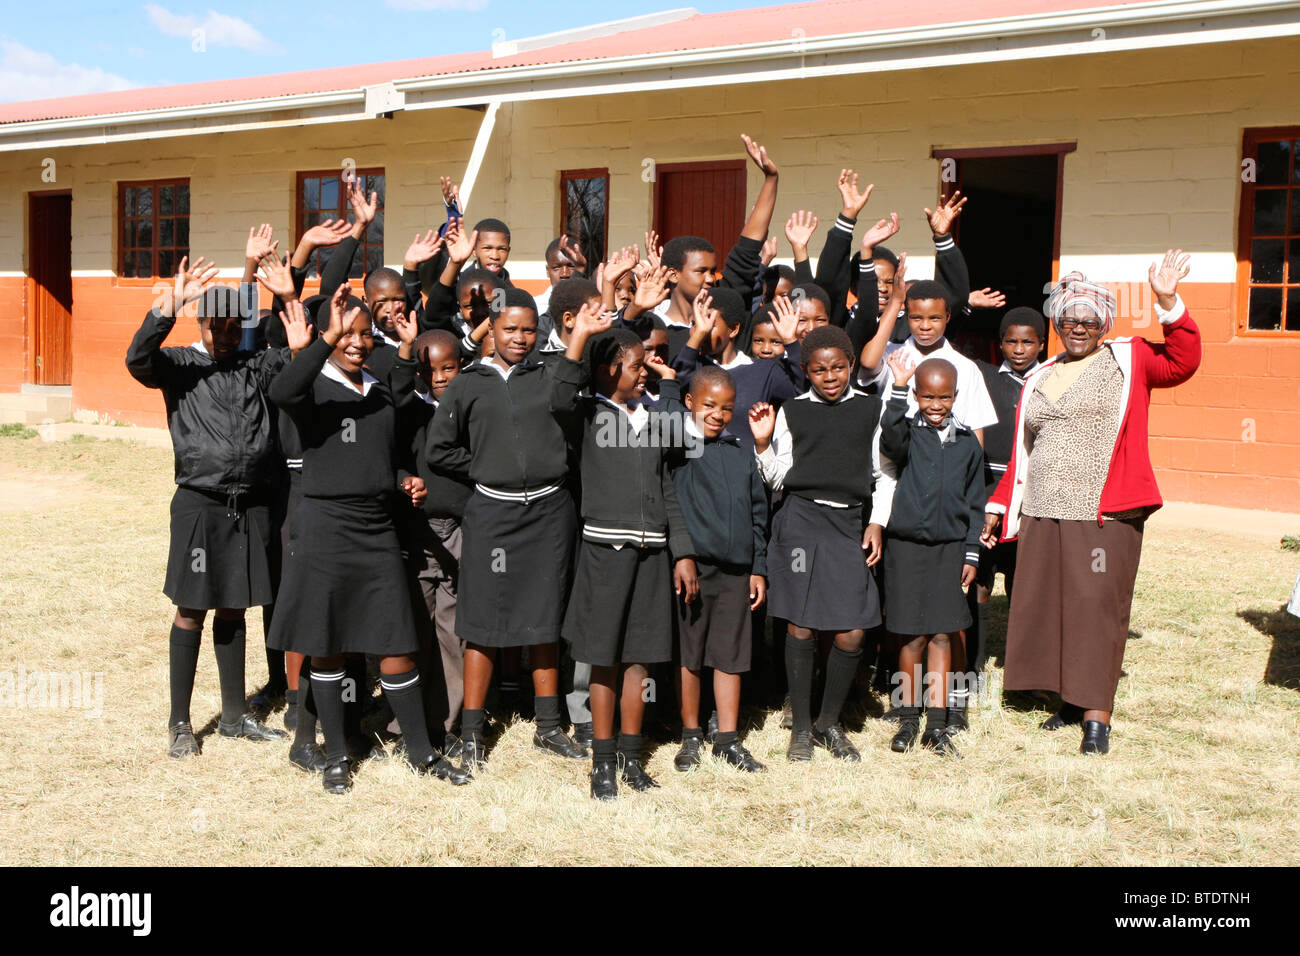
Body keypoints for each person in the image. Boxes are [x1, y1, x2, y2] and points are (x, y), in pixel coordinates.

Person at [981, 251, 1201, 755]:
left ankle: (1096, 716)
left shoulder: (1129, 358)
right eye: (1068, 319)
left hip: (1104, 513)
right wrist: (999, 504)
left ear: (1103, 322)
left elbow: (1184, 361)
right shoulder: (1039, 376)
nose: (1077, 327)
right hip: (1043, 508)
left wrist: (1168, 301)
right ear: (1057, 324)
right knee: (1053, 606)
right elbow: (1023, 452)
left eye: (1088, 319)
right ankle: (1067, 700)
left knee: (1097, 607)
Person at [267, 287, 468, 792]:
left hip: (377, 530)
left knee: (396, 645)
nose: (356, 343)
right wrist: (322, 338)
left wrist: (403, 478)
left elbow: (385, 452)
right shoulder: (311, 387)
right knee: (328, 647)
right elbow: (283, 392)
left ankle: (422, 754)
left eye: (363, 334)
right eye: (345, 334)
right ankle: (335, 756)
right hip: (324, 531)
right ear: (329, 337)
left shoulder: (379, 389)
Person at [126, 256, 291, 758]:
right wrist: (166, 306)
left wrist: (286, 297)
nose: (222, 333)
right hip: (200, 505)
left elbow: (300, 356)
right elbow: (137, 359)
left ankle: (235, 714)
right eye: (214, 324)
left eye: (231, 325)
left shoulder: (255, 366)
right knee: (191, 609)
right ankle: (180, 722)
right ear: (201, 322)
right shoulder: (180, 367)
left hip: (251, 505)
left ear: (242, 326)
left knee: (235, 604)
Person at [425, 286, 588, 769]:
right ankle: (473, 733)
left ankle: (549, 727)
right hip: (493, 515)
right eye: (510, 329)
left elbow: (572, 419)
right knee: (483, 622)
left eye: (529, 329)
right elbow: (439, 449)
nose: (520, 338)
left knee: (545, 619)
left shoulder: (551, 372)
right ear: (490, 329)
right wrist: (485, 466)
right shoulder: (468, 383)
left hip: (549, 512)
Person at [552, 310, 697, 799]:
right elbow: (558, 395)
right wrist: (581, 336)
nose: (645, 370)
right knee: (603, 659)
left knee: (640, 659)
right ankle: (603, 762)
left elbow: (669, 485)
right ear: (608, 369)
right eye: (636, 364)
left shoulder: (654, 417)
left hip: (653, 555)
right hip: (604, 554)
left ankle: (632, 758)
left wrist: (682, 552)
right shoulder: (588, 414)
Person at [749, 325, 892, 763]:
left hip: (848, 523)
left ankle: (831, 721)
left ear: (851, 365)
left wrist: (878, 523)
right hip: (800, 522)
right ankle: (803, 727)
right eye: (819, 370)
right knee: (801, 624)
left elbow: (884, 474)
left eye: (838, 367)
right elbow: (777, 477)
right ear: (806, 372)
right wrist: (761, 445)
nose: (829, 376)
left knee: (852, 627)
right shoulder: (792, 411)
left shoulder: (872, 410)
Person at [876, 355, 986, 756]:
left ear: (955, 396)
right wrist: (899, 389)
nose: (935, 405)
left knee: (942, 633)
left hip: (950, 550)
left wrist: (971, 554)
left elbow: (976, 502)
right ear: (917, 395)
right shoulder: (907, 433)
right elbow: (889, 439)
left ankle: (937, 723)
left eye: (943, 397)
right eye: (927, 396)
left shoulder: (967, 443)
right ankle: (907, 717)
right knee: (912, 634)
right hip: (906, 549)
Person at [670, 365, 767, 773]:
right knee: (690, 654)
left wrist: (757, 568)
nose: (717, 414)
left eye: (726, 408)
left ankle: (727, 738)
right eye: (708, 405)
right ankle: (691, 734)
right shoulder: (678, 451)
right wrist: (682, 556)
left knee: (730, 655)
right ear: (689, 403)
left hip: (736, 572)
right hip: (692, 571)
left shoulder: (741, 456)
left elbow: (759, 517)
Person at [395, 329, 475, 753]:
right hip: (418, 534)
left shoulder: (471, 411)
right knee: (413, 629)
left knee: (454, 631)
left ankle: (449, 721)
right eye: (431, 369)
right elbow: (392, 462)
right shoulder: (409, 411)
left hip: (460, 531)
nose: (441, 377)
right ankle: (405, 721)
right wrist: (405, 482)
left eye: (450, 367)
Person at [962, 307, 1046, 711]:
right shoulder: (984, 378)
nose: (1019, 349)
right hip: (985, 492)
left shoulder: (1049, 380)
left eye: (1028, 341)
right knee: (980, 579)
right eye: (1011, 341)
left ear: (1042, 344)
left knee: (1023, 585)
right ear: (1000, 343)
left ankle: (1022, 670)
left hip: (1030, 496)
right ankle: (973, 665)